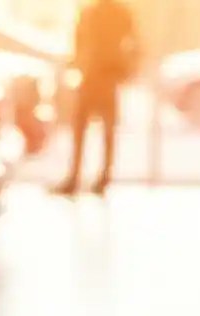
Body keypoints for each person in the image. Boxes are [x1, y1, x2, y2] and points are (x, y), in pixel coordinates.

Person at [55, 0, 140, 195]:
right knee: (86, 129)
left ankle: (97, 178)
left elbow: (133, 43)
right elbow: (79, 41)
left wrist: (126, 70)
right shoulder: (95, 12)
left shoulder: (112, 13)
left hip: (103, 76)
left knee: (102, 130)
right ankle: (84, 178)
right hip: (94, 76)